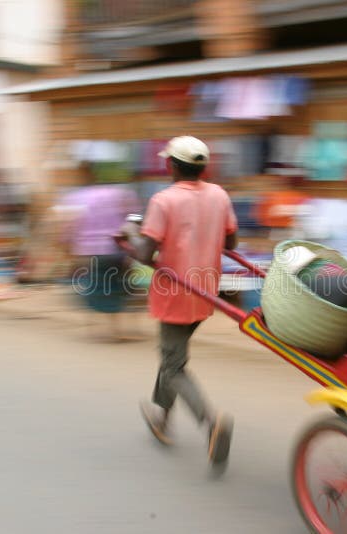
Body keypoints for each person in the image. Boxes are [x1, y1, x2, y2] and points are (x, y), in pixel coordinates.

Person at [121, 136, 238, 469]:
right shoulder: (220, 195)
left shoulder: (163, 200)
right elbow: (231, 241)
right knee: (171, 356)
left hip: (175, 294)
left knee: (173, 365)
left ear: (171, 165)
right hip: (205, 291)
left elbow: (145, 255)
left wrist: (131, 234)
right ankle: (162, 418)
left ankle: (211, 422)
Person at [63, 162, 141, 341]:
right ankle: (120, 329)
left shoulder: (75, 197)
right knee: (121, 287)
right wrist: (134, 242)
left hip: (88, 252)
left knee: (94, 288)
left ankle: (94, 328)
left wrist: (67, 248)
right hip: (116, 249)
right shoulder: (120, 193)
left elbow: (69, 226)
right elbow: (135, 217)